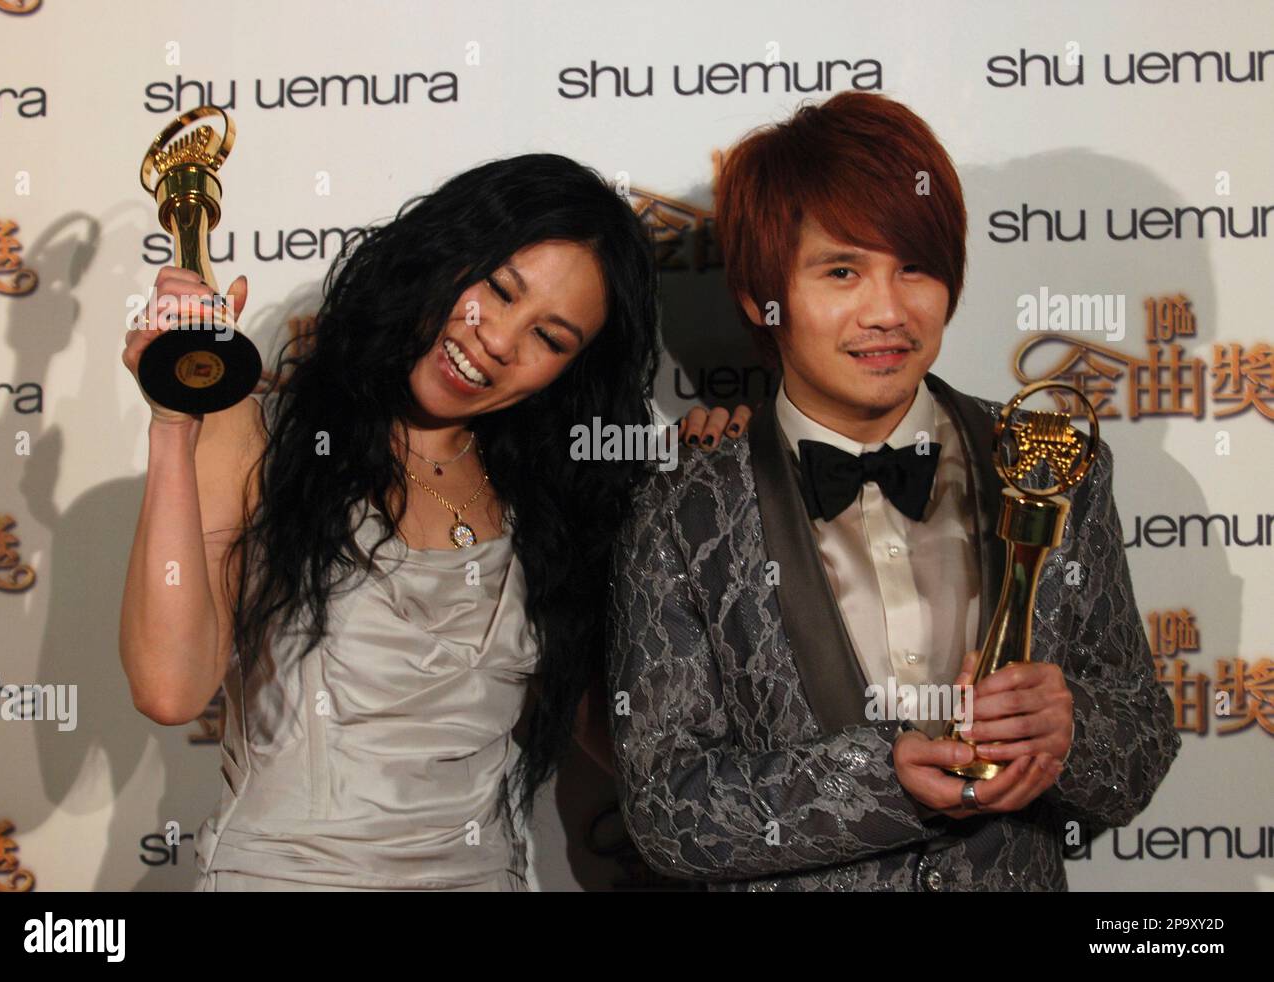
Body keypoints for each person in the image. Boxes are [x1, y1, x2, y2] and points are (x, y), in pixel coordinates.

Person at [119, 152, 748, 891]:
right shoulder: (267, 436)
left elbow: (635, 745)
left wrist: (715, 521)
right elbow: (170, 688)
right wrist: (173, 422)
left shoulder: (554, 506)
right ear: (442, 255)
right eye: (498, 289)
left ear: (572, 371)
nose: (500, 339)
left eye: (550, 338)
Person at [606, 92, 1180, 891]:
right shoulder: (682, 509)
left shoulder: (1052, 464)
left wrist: (1071, 730)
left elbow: (1142, 748)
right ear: (759, 296)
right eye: (842, 271)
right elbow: (668, 810)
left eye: (915, 267)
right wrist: (885, 779)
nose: (888, 311)